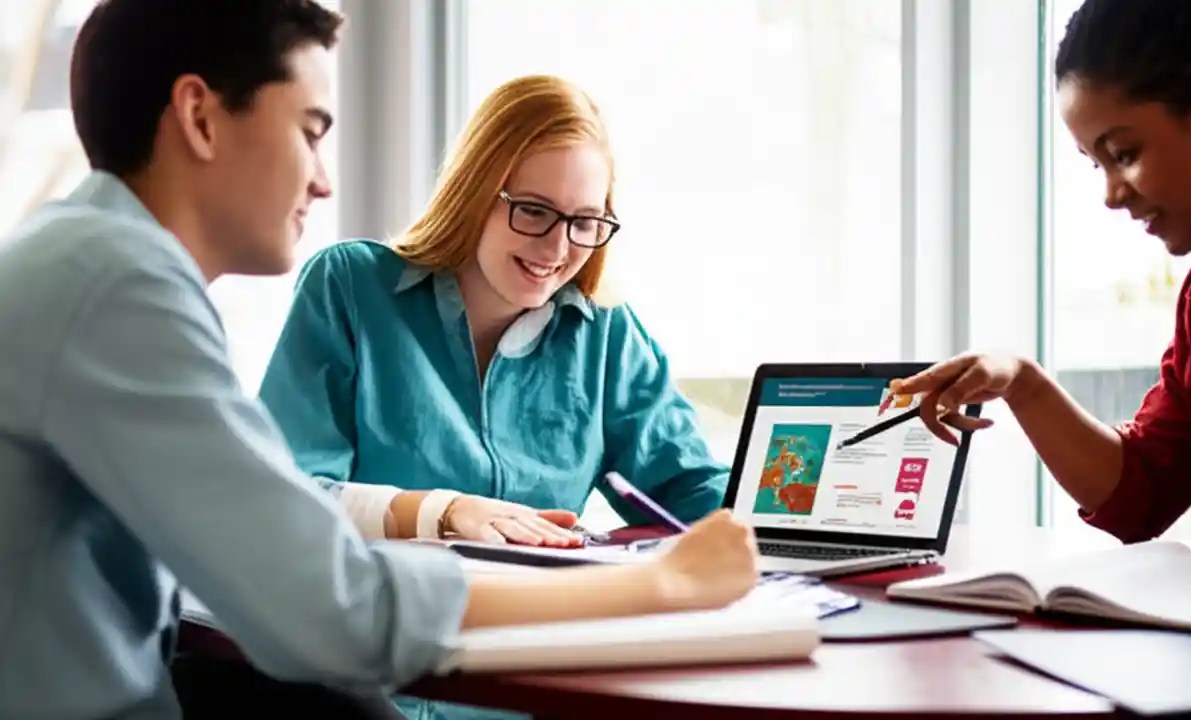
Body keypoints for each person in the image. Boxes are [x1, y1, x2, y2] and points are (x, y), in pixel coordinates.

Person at [0, 3, 759, 719]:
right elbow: (327, 604)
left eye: (585, 221)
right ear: (200, 117)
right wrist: (657, 584)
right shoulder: (115, 288)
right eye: (310, 131)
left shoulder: (85, 264)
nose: (323, 178)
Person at [256, 74, 729, 550]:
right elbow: (285, 495)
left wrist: (771, 514)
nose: (557, 248)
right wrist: (444, 512)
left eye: (584, 221)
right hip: (387, 594)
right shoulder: (350, 287)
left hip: (547, 598)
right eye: (533, 210)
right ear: (476, 191)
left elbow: (693, 489)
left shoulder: (605, 331)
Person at [891, 0, 1191, 560]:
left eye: (1125, 153)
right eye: (1098, 164)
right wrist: (1022, 384)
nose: (1112, 195)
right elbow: (1143, 491)